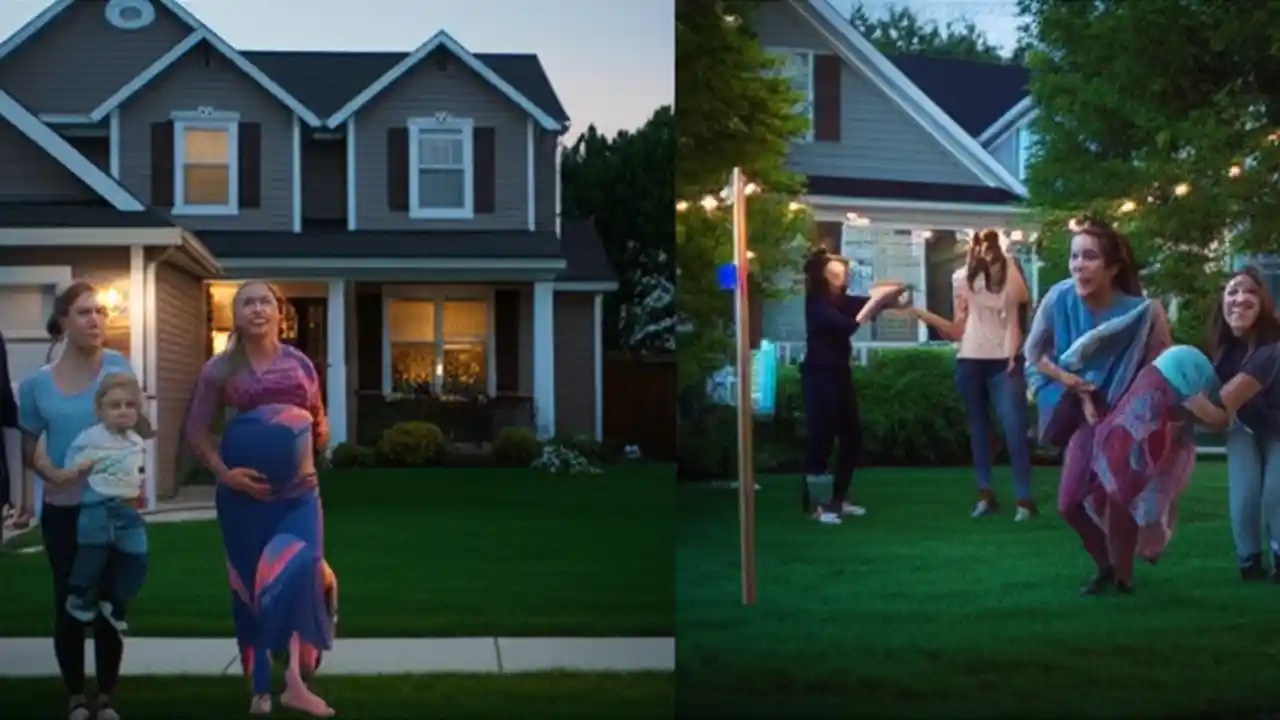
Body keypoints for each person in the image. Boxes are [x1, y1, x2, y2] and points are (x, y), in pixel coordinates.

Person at [184, 281, 336, 717]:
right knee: (250, 588)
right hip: (243, 497)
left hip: (299, 494)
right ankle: (260, 687)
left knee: (298, 571)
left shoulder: (301, 364)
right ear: (236, 314)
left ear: (279, 312)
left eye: (264, 301)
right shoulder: (219, 369)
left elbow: (317, 417)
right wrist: (225, 474)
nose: (256, 308)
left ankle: (294, 683)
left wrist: (310, 442)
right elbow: (195, 432)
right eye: (246, 302)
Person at [1023, 219, 1172, 594]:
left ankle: (1122, 578)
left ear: (1113, 268)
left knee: (1120, 494)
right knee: (1069, 503)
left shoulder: (1143, 313)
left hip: (1126, 417)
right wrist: (1071, 382)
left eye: (1090, 257)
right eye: (1075, 257)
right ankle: (1106, 565)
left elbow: (1162, 366)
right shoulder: (1058, 298)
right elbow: (1033, 353)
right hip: (1078, 410)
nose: (1078, 265)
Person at [17, 281, 134, 720]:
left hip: (111, 509)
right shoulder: (36, 386)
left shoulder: (120, 367)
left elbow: (133, 424)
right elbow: (28, 443)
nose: (96, 320)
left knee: (108, 603)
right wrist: (48, 472)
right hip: (64, 509)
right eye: (85, 312)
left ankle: (105, 697)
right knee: (68, 601)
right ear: (63, 321)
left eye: (101, 312)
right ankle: (74, 698)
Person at [911, 229, 1037, 520]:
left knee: (1014, 428)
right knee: (979, 430)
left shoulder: (1012, 275)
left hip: (1003, 361)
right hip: (970, 359)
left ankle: (1024, 500)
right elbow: (957, 329)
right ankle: (985, 495)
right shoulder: (962, 278)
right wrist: (921, 314)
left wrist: (1013, 355)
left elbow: (1019, 317)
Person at [1091, 344, 1222, 581]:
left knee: (1156, 495)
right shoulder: (1154, 394)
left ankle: (1143, 548)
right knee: (1148, 494)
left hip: (1172, 425)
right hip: (1164, 421)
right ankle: (1136, 551)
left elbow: (1216, 419)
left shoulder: (1170, 390)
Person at [800, 247, 908, 525]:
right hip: (818, 374)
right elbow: (848, 327)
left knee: (852, 436)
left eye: (844, 270)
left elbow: (893, 299)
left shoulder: (843, 300)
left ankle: (839, 498)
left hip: (840, 373)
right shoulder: (816, 303)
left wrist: (890, 293)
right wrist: (873, 304)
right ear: (823, 275)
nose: (843, 274)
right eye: (836, 270)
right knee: (821, 437)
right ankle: (818, 505)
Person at [1195, 267, 1280, 580]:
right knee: (1244, 490)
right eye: (1232, 292)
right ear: (1222, 303)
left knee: (1275, 491)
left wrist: (1179, 395)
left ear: (1263, 304)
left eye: (1250, 292)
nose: (1240, 298)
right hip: (1243, 423)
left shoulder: (1272, 350)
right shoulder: (1221, 351)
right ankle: (1248, 559)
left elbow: (1218, 407)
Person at [60, 373, 154, 631]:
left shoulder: (135, 439)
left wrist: (140, 491)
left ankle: (115, 602)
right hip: (97, 508)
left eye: (129, 405)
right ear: (99, 410)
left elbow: (136, 470)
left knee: (137, 557)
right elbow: (71, 465)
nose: (123, 411)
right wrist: (80, 465)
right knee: (93, 556)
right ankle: (78, 598)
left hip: (127, 508)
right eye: (115, 406)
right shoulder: (90, 438)